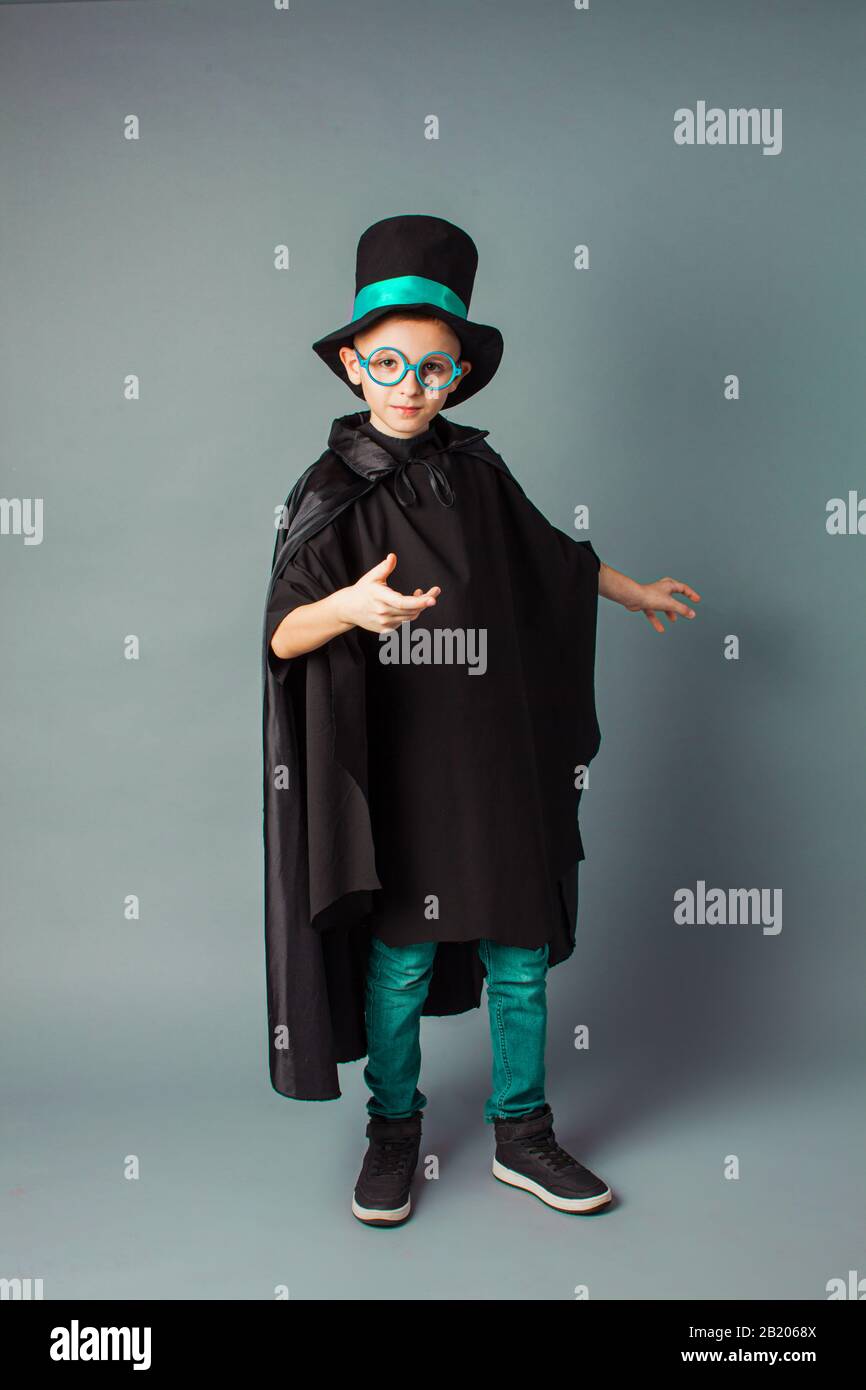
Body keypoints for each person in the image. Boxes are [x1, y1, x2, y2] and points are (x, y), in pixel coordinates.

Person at [262, 214, 700, 1226]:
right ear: (349, 368)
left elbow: (551, 560)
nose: (409, 386)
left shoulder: (479, 471)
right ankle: (393, 1131)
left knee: (516, 955)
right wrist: (349, 610)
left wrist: (628, 591)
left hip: (497, 758)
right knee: (403, 958)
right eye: (387, 363)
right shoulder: (327, 494)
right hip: (401, 773)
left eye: (432, 369)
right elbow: (284, 636)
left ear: (456, 376)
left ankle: (521, 1131)